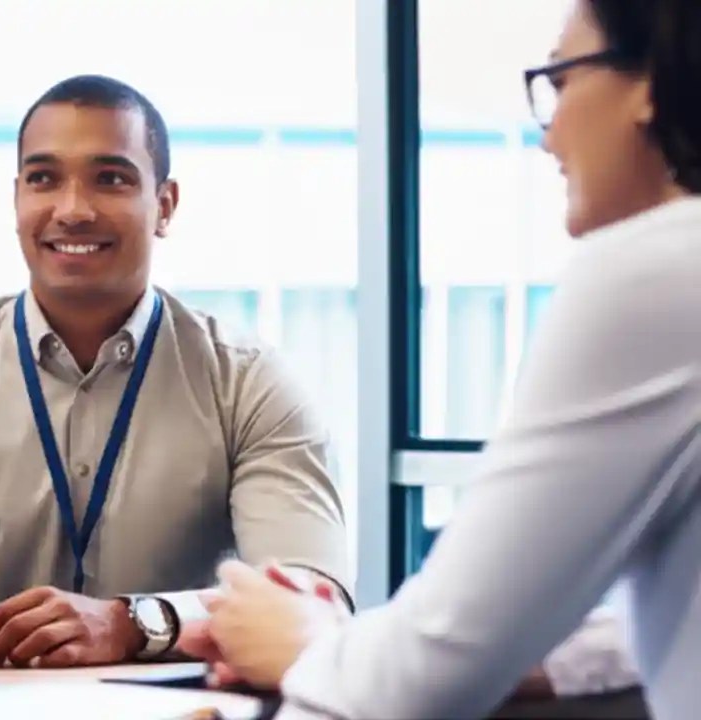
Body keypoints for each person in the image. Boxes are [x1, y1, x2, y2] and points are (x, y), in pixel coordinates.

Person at [184, 1, 701, 718]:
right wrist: (352, 646)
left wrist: (306, 642)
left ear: (647, 82)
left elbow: (425, 678)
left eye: (560, 80)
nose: (547, 133)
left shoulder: (655, 270)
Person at [0, 74, 352, 669]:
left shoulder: (249, 383)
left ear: (164, 206)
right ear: (17, 199)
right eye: (43, 179)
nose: (72, 209)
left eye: (110, 179)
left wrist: (135, 622)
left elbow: (312, 603)